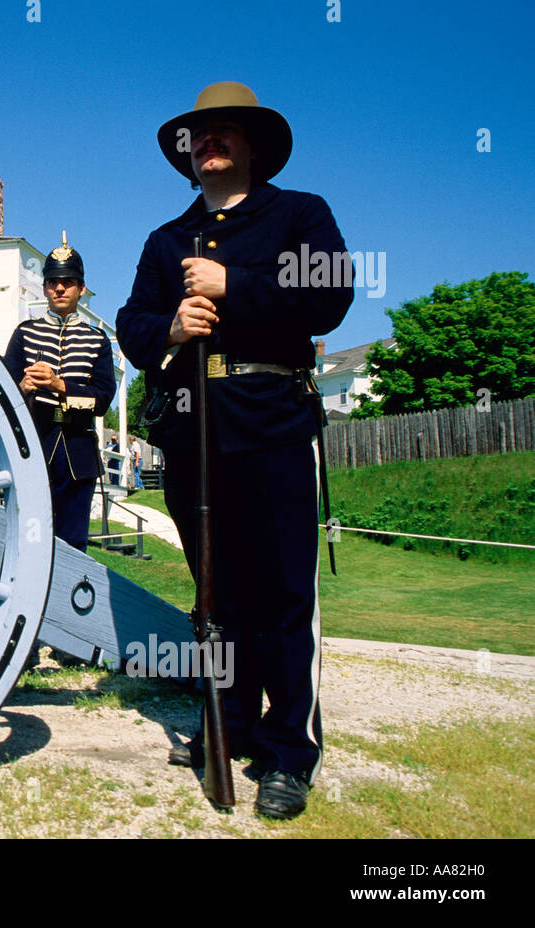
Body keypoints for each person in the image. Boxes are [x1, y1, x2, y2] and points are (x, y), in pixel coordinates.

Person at [115, 82, 352, 819]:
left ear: (251, 145)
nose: (208, 141)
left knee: (281, 594)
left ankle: (287, 751)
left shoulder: (298, 213)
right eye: (198, 134)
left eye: (224, 132)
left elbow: (332, 291)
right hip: (193, 428)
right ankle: (231, 723)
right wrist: (173, 329)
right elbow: (130, 324)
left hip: (271, 417)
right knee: (216, 597)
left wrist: (233, 284)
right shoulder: (166, 239)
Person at [3, 235, 116, 551]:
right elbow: (2, 391)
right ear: (44, 288)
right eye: (53, 282)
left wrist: (59, 386)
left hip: (77, 453)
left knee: (72, 544)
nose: (59, 288)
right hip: (34, 444)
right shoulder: (25, 333)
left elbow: (102, 399)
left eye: (68, 282)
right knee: (29, 538)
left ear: (81, 288)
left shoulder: (97, 340)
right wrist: (21, 389)